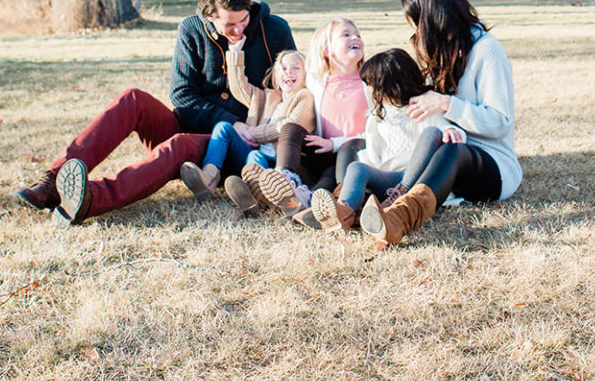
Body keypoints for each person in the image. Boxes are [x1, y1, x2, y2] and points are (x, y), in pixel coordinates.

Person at [11, 0, 295, 225]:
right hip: (199, 123)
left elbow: (295, 84)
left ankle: (91, 198)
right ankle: (53, 181)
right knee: (132, 98)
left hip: (237, 146)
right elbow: (182, 95)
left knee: (179, 144)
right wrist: (230, 121)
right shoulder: (191, 29)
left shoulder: (275, 29)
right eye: (229, 24)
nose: (239, 30)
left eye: (243, 19)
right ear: (208, 17)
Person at [360, 0, 519, 247]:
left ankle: (400, 218)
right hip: (441, 159)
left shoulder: (486, 51)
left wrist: (447, 104)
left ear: (433, 18)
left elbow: (500, 122)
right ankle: (349, 206)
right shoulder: (441, 52)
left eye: (415, 22)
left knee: (452, 149)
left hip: (491, 165)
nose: (414, 31)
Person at [225, 17, 367, 217]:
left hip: (351, 153)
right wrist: (235, 52)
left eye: (358, 35)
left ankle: (307, 199)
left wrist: (334, 143)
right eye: (346, 35)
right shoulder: (317, 81)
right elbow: (292, 77)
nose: (355, 37)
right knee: (291, 128)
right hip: (319, 150)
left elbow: (376, 131)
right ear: (327, 50)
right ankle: (283, 176)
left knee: (329, 175)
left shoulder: (369, 83)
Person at [309, 47, 446, 233]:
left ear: (391, 85)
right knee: (357, 168)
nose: (369, 90)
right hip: (387, 178)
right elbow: (372, 148)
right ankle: (344, 212)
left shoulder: (423, 108)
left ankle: (401, 194)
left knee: (431, 132)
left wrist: (453, 131)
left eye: (372, 85)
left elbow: (443, 130)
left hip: (413, 179)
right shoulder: (378, 114)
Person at [177, 49, 315, 197]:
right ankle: (209, 178)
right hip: (251, 157)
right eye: (284, 68)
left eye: (296, 68)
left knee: (256, 156)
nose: (289, 72)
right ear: (276, 73)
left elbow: (289, 127)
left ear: (306, 74)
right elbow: (239, 88)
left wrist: (255, 133)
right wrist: (235, 52)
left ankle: (258, 194)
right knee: (223, 127)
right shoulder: (267, 96)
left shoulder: (304, 96)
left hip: (279, 163)